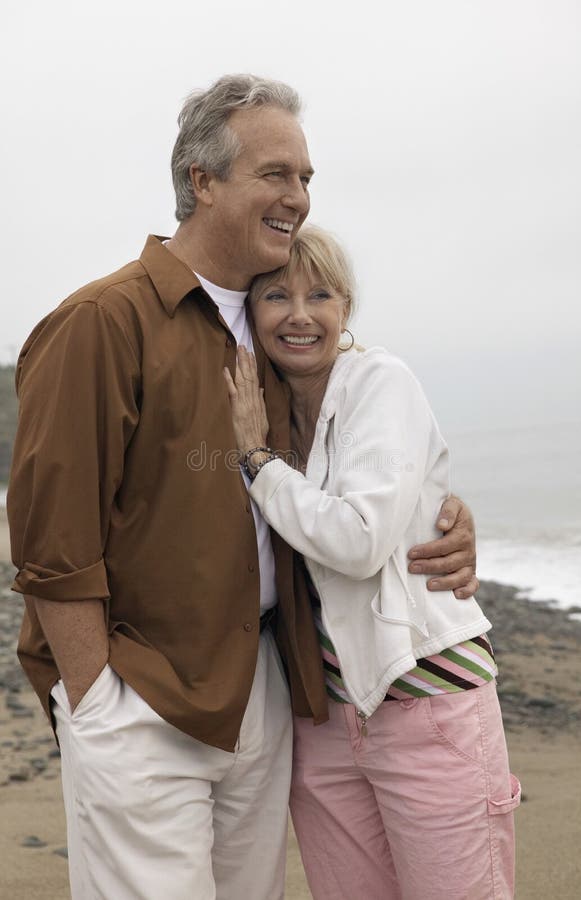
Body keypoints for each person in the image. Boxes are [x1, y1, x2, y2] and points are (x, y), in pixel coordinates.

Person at [8, 76, 478, 899]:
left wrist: (447, 521)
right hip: (142, 690)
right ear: (202, 180)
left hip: (265, 686)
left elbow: (361, 465)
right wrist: (98, 705)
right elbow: (49, 537)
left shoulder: (278, 334)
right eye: (275, 174)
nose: (296, 196)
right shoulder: (103, 321)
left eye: (304, 178)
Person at [225, 225, 521, 900]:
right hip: (322, 720)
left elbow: (359, 541)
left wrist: (257, 463)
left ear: (345, 309)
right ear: (251, 312)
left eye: (319, 295)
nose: (299, 314)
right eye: (276, 296)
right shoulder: (260, 407)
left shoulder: (380, 382)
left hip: (428, 705)